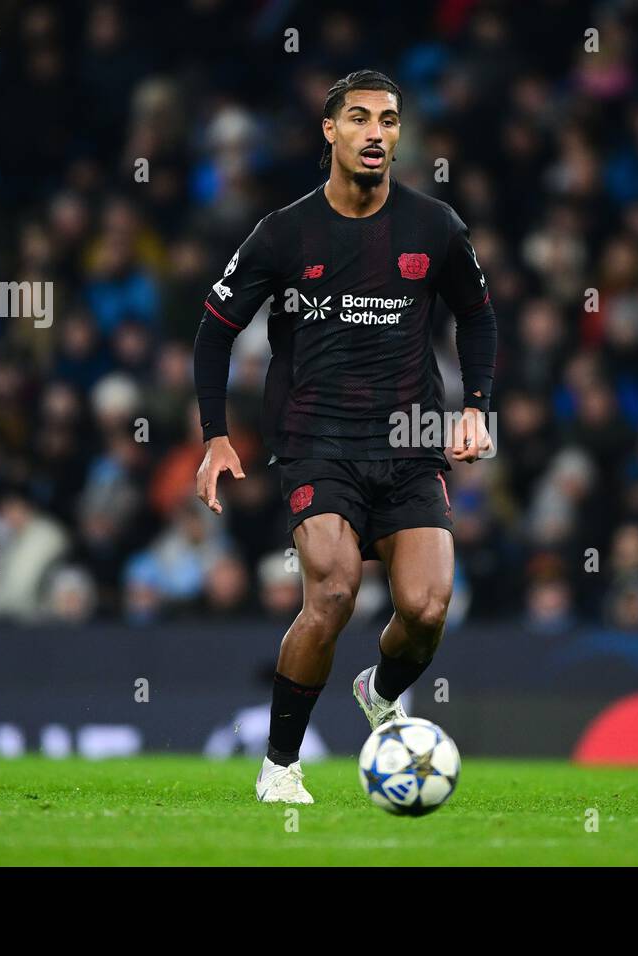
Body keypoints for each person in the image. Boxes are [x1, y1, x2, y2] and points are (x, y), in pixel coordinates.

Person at [193, 71, 497, 803]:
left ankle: (378, 687)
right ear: (330, 131)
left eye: (389, 121)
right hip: (315, 439)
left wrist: (477, 407)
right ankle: (280, 766)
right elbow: (215, 332)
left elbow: (478, 316)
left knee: (424, 610)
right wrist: (215, 436)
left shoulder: (435, 226)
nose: (376, 133)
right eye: (359, 118)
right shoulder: (284, 232)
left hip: (409, 438)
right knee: (330, 590)